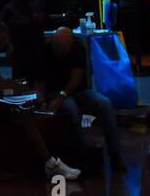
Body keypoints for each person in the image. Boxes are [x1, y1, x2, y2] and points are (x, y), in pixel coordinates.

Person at [0, 20, 80, 181]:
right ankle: (49, 162)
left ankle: (55, 152)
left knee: (33, 101)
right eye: (0, 43)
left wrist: (16, 88)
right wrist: (5, 85)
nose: (1, 48)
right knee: (24, 113)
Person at [35, 27, 126, 174]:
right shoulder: (43, 53)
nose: (60, 53)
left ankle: (115, 153)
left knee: (105, 104)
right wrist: (43, 100)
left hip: (75, 91)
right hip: (53, 93)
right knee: (71, 108)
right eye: (57, 49)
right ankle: (81, 154)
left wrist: (62, 96)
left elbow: (77, 77)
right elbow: (39, 83)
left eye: (63, 50)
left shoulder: (77, 48)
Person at [0, 0, 44, 81]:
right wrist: (8, 45)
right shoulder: (9, 10)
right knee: (20, 77)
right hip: (18, 50)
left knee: (34, 76)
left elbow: (41, 20)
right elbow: (2, 28)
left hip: (34, 48)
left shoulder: (31, 8)